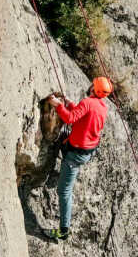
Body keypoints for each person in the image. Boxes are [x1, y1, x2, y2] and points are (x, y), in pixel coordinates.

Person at [46, 77, 111, 241]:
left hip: (75, 155)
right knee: (62, 137)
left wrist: (58, 105)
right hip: (85, 149)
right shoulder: (102, 106)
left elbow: (70, 119)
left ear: (93, 88)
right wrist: (70, 104)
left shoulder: (88, 102)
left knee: (64, 192)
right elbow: (84, 117)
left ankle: (63, 231)